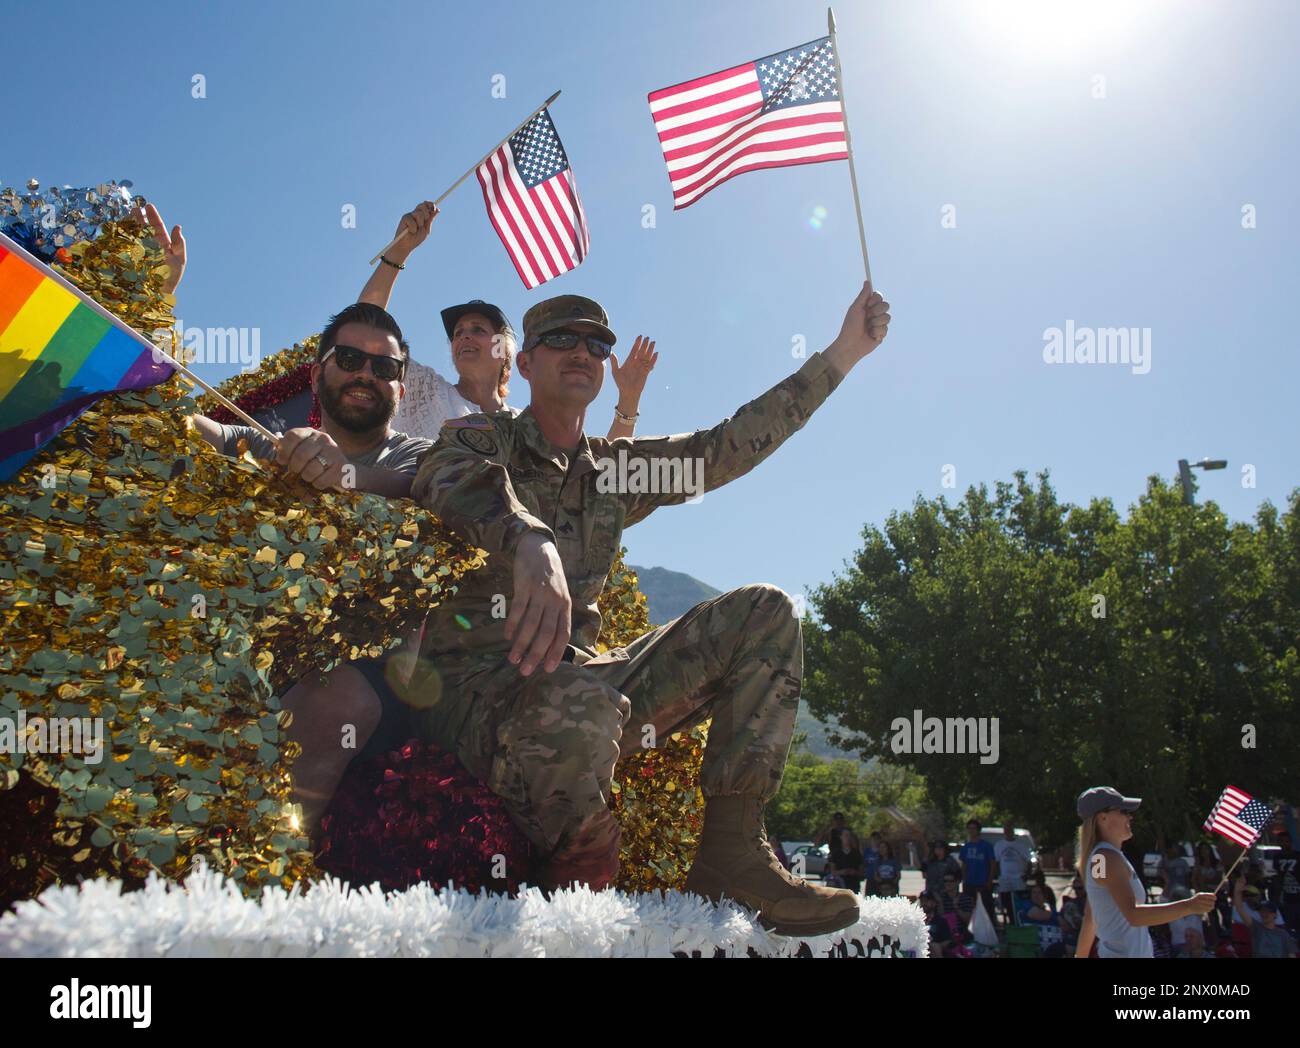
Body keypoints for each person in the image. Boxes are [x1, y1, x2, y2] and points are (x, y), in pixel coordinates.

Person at [403, 280, 892, 935]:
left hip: (576, 683)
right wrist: (529, 538)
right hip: (475, 692)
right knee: (582, 710)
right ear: (524, 363)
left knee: (764, 613)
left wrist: (843, 353)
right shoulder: (477, 439)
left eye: (597, 343)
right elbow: (447, 482)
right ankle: (551, 912)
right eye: (561, 339)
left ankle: (729, 853)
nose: (583, 351)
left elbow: (724, 448)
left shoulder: (613, 472)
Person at [358, 201, 658, 440]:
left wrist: (629, 399)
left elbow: (597, 483)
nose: (464, 336)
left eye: (478, 330)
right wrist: (399, 252)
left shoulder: (530, 427)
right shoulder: (426, 389)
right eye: (458, 332)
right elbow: (365, 332)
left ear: (507, 350)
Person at [1073, 787, 1217, 958]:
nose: (1130, 816)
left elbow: (1091, 915)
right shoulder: (1105, 857)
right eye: (1123, 811)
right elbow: (1133, 916)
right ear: (1102, 818)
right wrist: (1189, 906)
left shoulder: (1101, 857)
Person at [1232, 875, 1297, 958]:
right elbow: (1239, 908)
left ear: (1275, 915)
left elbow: (1292, 955)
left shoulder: (1283, 934)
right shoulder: (1256, 928)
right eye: (1262, 912)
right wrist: (1237, 891)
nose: (1264, 914)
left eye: (1268, 912)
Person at [958, 819, 997, 923]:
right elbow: (964, 865)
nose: (971, 831)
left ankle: (988, 930)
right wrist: (964, 880)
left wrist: (990, 880)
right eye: (969, 828)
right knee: (969, 908)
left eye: (974, 828)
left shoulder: (986, 846)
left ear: (978, 830)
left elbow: (992, 864)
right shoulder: (965, 847)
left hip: (983, 883)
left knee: (986, 908)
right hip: (969, 883)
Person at [994, 822, 1031, 926]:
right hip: (1005, 879)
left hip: (1018, 878)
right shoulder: (999, 845)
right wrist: (997, 876)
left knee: (1020, 902)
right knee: (1007, 902)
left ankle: (1021, 922)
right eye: (1006, 830)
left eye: (1010, 830)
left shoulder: (1021, 845)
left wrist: (1026, 875)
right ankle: (1010, 922)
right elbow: (996, 862)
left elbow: (1029, 862)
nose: (1008, 832)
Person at [1271, 831, 1300, 932]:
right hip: (1287, 897)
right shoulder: (1277, 857)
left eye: (1286, 841)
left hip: (1298, 894)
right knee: (1288, 925)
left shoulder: (1297, 855)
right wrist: (1277, 897)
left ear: (1290, 842)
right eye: (1281, 841)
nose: (1283, 844)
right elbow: (1278, 877)